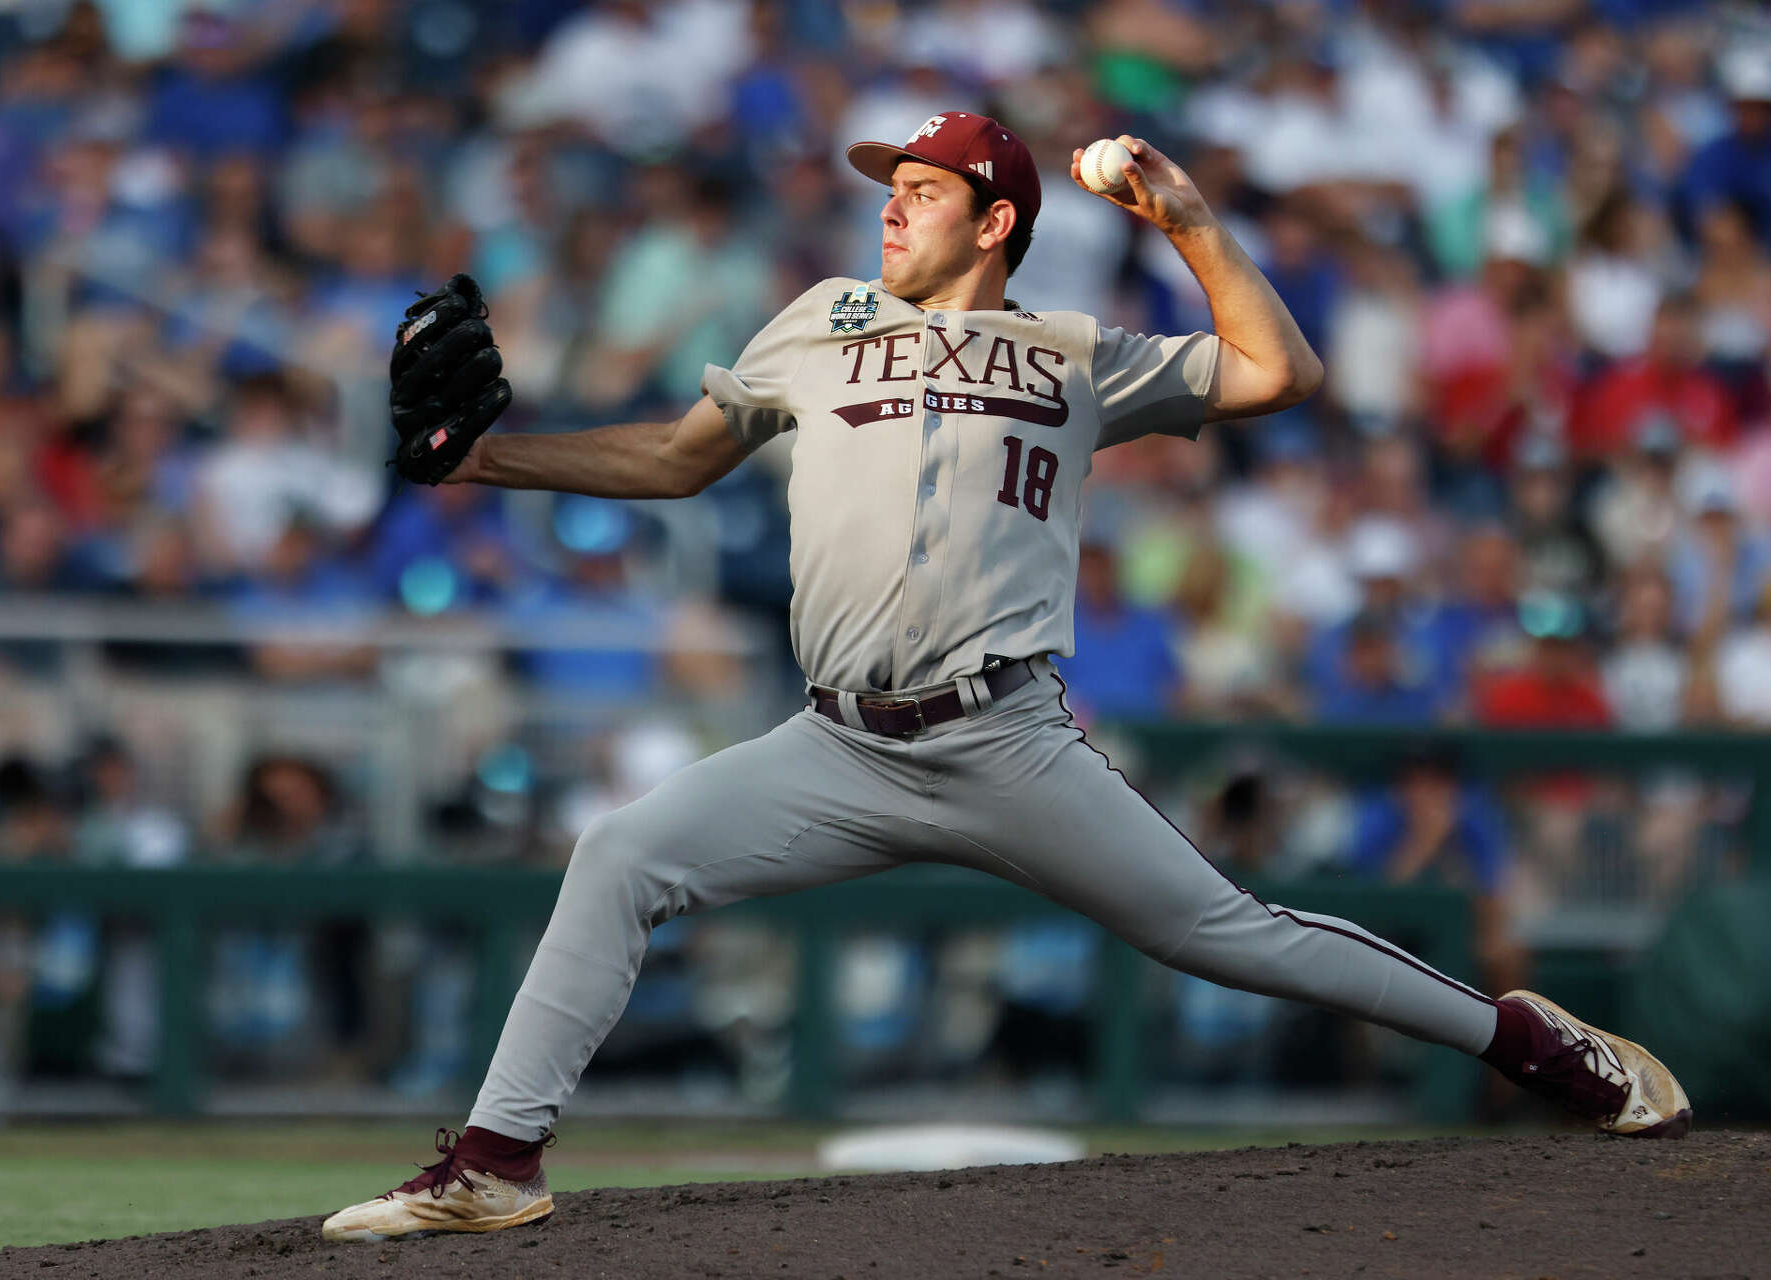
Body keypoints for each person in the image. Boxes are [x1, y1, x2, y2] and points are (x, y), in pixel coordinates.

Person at [326, 115, 1692, 1244]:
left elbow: (1281, 372)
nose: (892, 209)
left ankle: (1520, 1039)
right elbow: (681, 459)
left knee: (1229, 935)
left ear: (995, 223)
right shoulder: (817, 324)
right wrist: (490, 461)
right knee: (622, 852)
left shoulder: (1073, 355)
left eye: (922, 190)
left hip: (1008, 737)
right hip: (838, 746)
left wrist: (1190, 221)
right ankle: (497, 1162)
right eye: (890, 188)